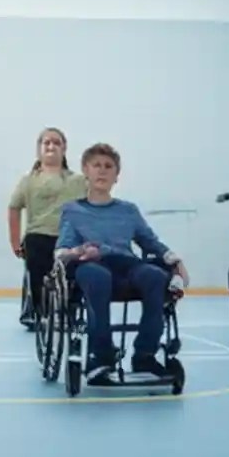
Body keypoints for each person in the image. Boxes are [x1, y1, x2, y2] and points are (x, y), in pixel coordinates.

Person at [55, 143, 189, 384]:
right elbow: (62, 251)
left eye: (109, 167)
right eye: (97, 165)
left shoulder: (128, 210)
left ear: (117, 176)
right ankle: (101, 355)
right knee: (97, 277)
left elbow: (150, 242)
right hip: (91, 265)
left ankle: (145, 355)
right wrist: (79, 251)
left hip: (126, 265)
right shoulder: (72, 210)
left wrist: (175, 260)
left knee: (155, 276)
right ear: (86, 170)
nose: (102, 171)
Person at [8, 127, 87, 326]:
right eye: (47, 143)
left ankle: (70, 310)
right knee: (37, 259)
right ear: (39, 149)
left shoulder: (78, 181)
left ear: (64, 148)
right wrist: (15, 242)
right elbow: (14, 208)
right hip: (39, 236)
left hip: (69, 239)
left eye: (56, 142)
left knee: (79, 268)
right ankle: (41, 312)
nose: (51, 146)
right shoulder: (28, 181)